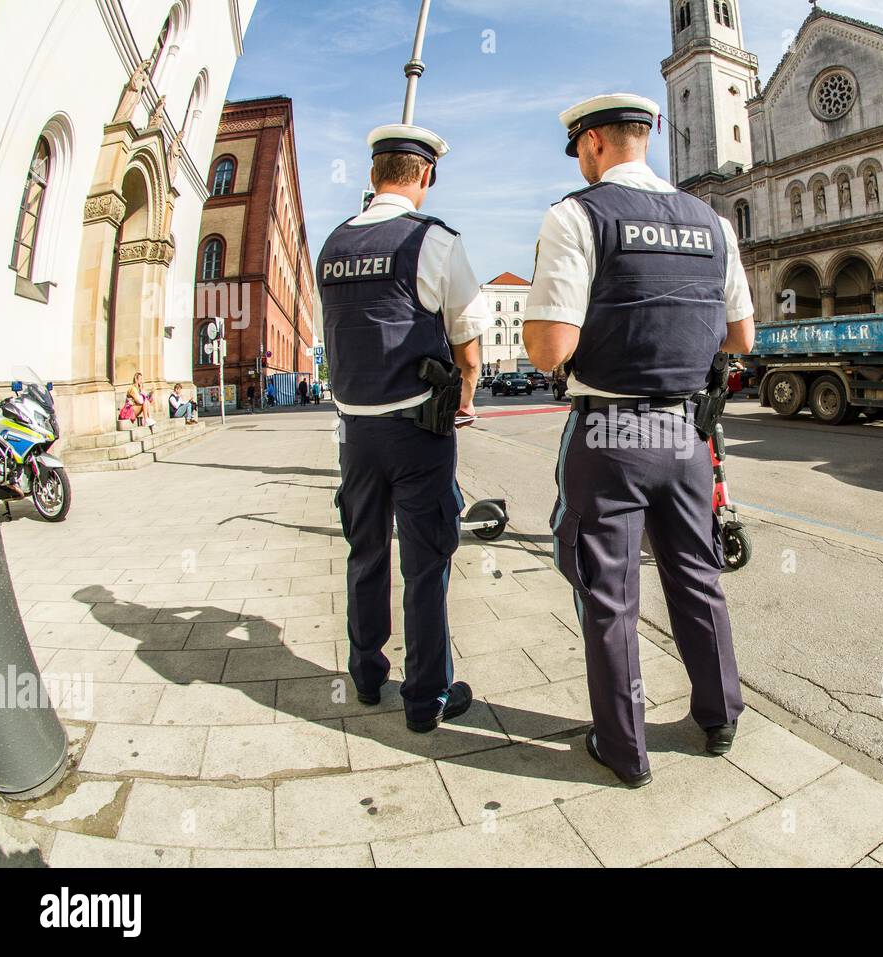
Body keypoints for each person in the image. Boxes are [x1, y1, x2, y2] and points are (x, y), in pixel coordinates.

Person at [524, 94, 756, 788]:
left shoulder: (577, 215)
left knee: (610, 593)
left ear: (593, 143)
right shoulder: (714, 224)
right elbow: (743, 338)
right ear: (648, 135)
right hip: (686, 433)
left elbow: (550, 347)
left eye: (580, 150)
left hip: (611, 432)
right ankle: (719, 716)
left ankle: (625, 749)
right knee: (696, 576)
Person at [317, 120, 491, 734]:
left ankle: (366, 677)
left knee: (364, 553)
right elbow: (468, 340)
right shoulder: (433, 241)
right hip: (418, 432)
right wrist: (465, 395)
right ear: (424, 176)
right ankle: (427, 698)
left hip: (354, 433)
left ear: (372, 175)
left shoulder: (333, 244)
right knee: (426, 562)